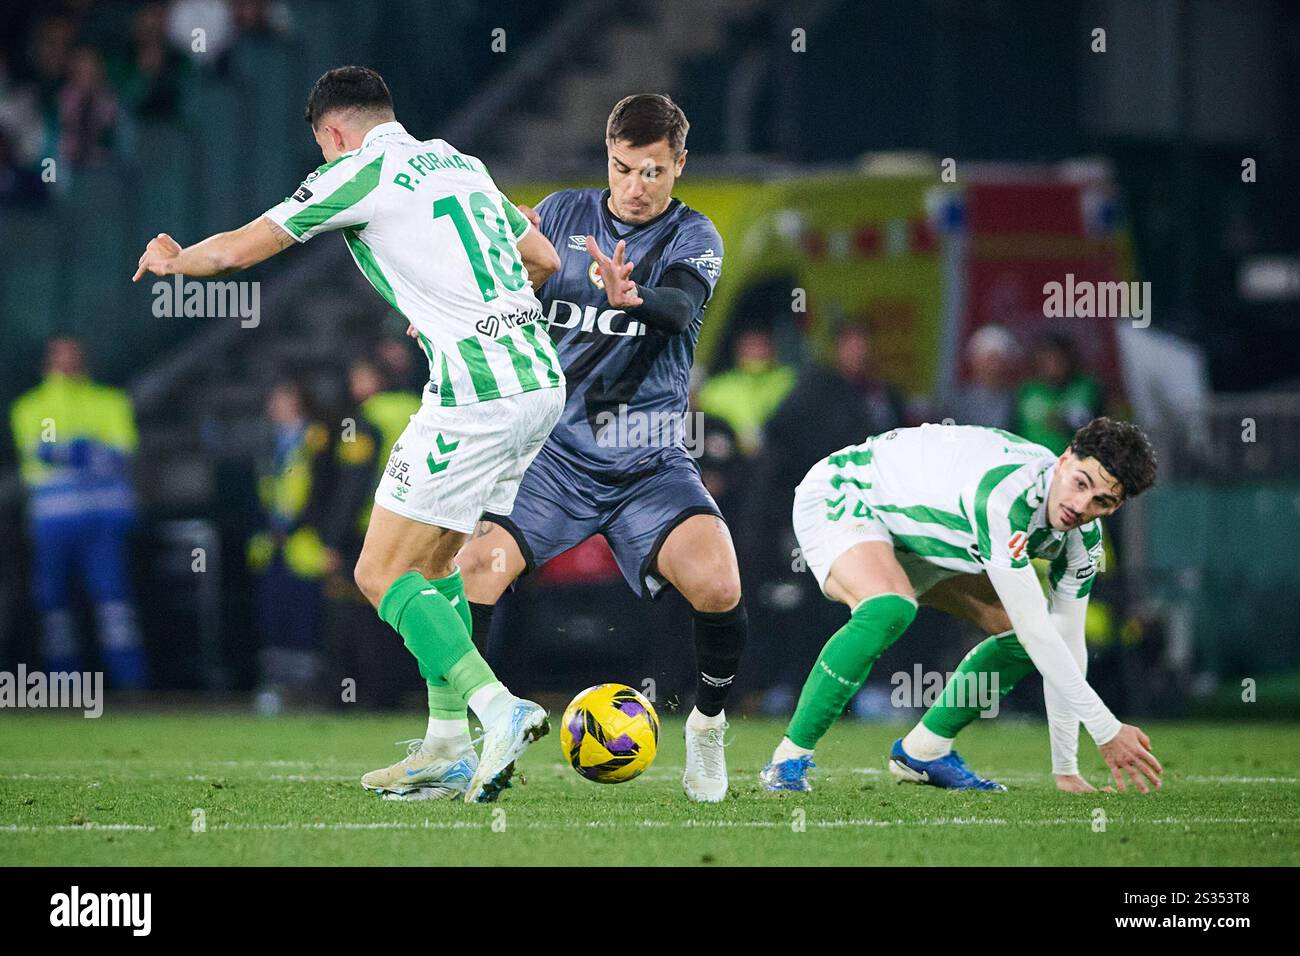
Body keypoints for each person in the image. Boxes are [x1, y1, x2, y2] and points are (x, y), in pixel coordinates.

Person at [133, 65, 566, 804]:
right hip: (540, 381)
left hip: (475, 390)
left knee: (377, 573)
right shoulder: (463, 163)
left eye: (324, 146)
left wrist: (177, 261)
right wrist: (455, 301)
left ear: (333, 132)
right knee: (436, 566)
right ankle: (445, 747)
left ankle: (497, 707)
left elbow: (241, 249)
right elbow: (545, 260)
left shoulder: (360, 170)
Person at [454, 93, 745, 803]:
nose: (636, 187)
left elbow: (678, 306)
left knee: (720, 585)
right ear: (606, 158)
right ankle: (473, 745)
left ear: (679, 164)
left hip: (647, 460)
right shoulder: (558, 215)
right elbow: (501, 281)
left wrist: (634, 296)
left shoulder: (694, 235)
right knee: (472, 576)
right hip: (552, 455)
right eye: (623, 169)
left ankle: (706, 730)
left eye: (653, 172)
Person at [760, 417, 1164, 796]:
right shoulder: (1006, 496)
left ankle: (925, 751)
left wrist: (1067, 768)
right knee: (889, 608)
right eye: (1080, 482)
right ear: (1063, 461)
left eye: (1102, 501)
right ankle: (787, 760)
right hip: (848, 491)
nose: (1082, 505)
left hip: (928, 533)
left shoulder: (1082, 541)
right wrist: (1106, 728)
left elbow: (1065, 641)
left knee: (1022, 640)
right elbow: (1036, 629)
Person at [9, 335, 148, 687]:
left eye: (74, 354)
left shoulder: (110, 401)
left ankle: (133, 689)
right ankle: (63, 689)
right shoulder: (29, 407)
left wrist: (68, 452)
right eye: (60, 355)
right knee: (53, 607)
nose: (68, 361)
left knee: (114, 603)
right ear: (47, 360)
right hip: (53, 525)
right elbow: (39, 453)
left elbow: (123, 456)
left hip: (105, 523)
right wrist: (89, 451)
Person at [319, 356, 422, 710]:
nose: (354, 386)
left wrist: (334, 538)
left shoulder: (368, 417)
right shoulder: (420, 406)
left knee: (359, 612)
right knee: (410, 607)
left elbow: (354, 482)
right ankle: (403, 689)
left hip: (372, 527)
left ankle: (359, 694)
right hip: (422, 525)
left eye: (359, 376)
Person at [246, 379, 332, 713]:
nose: (274, 407)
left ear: (298, 402)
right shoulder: (269, 445)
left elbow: (322, 490)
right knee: (274, 616)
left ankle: (307, 689)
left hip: (304, 544)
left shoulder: (316, 439)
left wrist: (297, 526)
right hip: (272, 545)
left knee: (305, 617)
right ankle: (277, 686)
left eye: (281, 399)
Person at [696, 327, 794, 454]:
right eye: (750, 346)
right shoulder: (716, 388)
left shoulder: (789, 381)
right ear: (738, 350)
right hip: (730, 458)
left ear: (773, 349)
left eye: (761, 345)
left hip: (780, 455)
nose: (756, 351)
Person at [1015, 332, 1103, 453]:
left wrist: (1066, 423)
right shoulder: (1027, 391)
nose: (1053, 364)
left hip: (1078, 462)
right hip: (1036, 466)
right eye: (1046, 359)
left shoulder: (1088, 387)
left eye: (1057, 358)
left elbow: (1103, 428)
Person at [945, 324, 1018, 430]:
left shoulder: (1014, 401)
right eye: (989, 360)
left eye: (998, 360)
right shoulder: (957, 400)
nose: (993, 367)